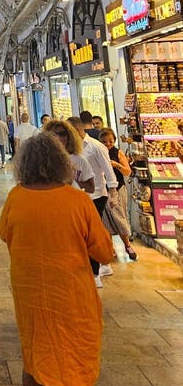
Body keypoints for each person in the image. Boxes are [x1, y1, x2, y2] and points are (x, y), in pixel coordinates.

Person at [0, 131, 114, 386]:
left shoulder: (16, 198)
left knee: (35, 363)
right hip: (72, 299)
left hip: (31, 298)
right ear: (61, 163)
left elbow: (5, 233)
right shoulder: (77, 202)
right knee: (80, 373)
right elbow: (104, 252)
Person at [67, 116, 118, 288]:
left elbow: (108, 171)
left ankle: (95, 273)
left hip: (97, 195)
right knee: (84, 233)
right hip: (80, 196)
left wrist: (113, 193)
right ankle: (102, 265)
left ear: (78, 129)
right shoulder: (74, 149)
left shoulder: (96, 146)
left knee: (91, 234)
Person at [98, 127, 137, 261]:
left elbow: (128, 172)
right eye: (104, 141)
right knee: (105, 220)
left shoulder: (118, 153)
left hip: (118, 189)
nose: (108, 144)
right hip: (103, 190)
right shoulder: (97, 153)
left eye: (110, 141)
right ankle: (110, 248)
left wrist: (117, 165)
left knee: (120, 217)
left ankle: (127, 245)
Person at [46, 119, 94, 193]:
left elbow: (91, 188)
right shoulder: (44, 160)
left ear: (69, 137)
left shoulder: (79, 159)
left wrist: (71, 183)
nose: (58, 138)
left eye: (62, 134)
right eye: (53, 134)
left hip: (74, 198)